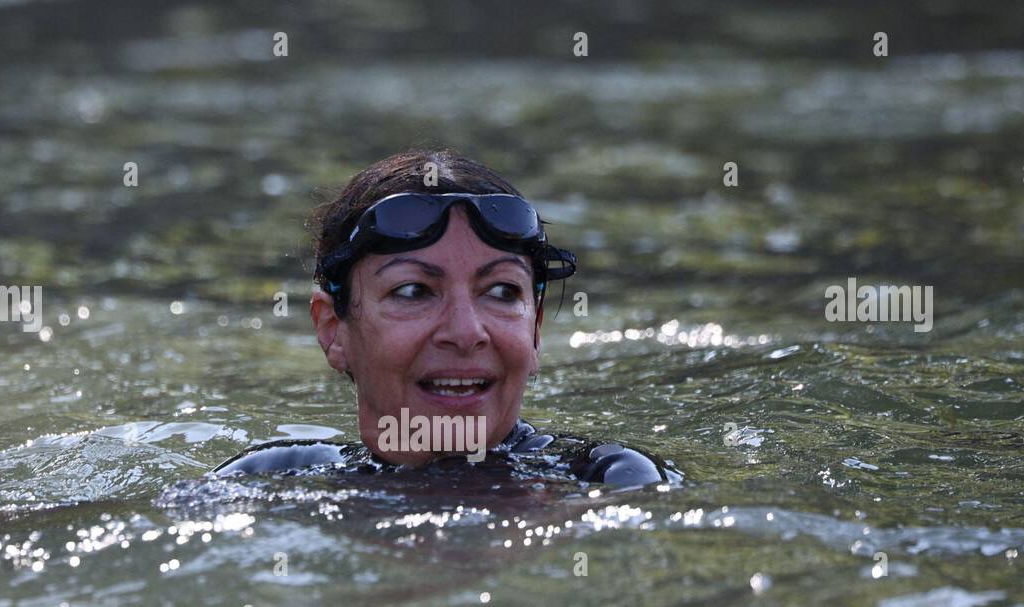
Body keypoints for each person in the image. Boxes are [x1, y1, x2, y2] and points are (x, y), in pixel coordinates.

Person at [200, 148, 681, 489]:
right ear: (333, 330)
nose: (466, 332)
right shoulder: (267, 485)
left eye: (501, 291)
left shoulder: (610, 481)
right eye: (413, 291)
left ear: (534, 330)